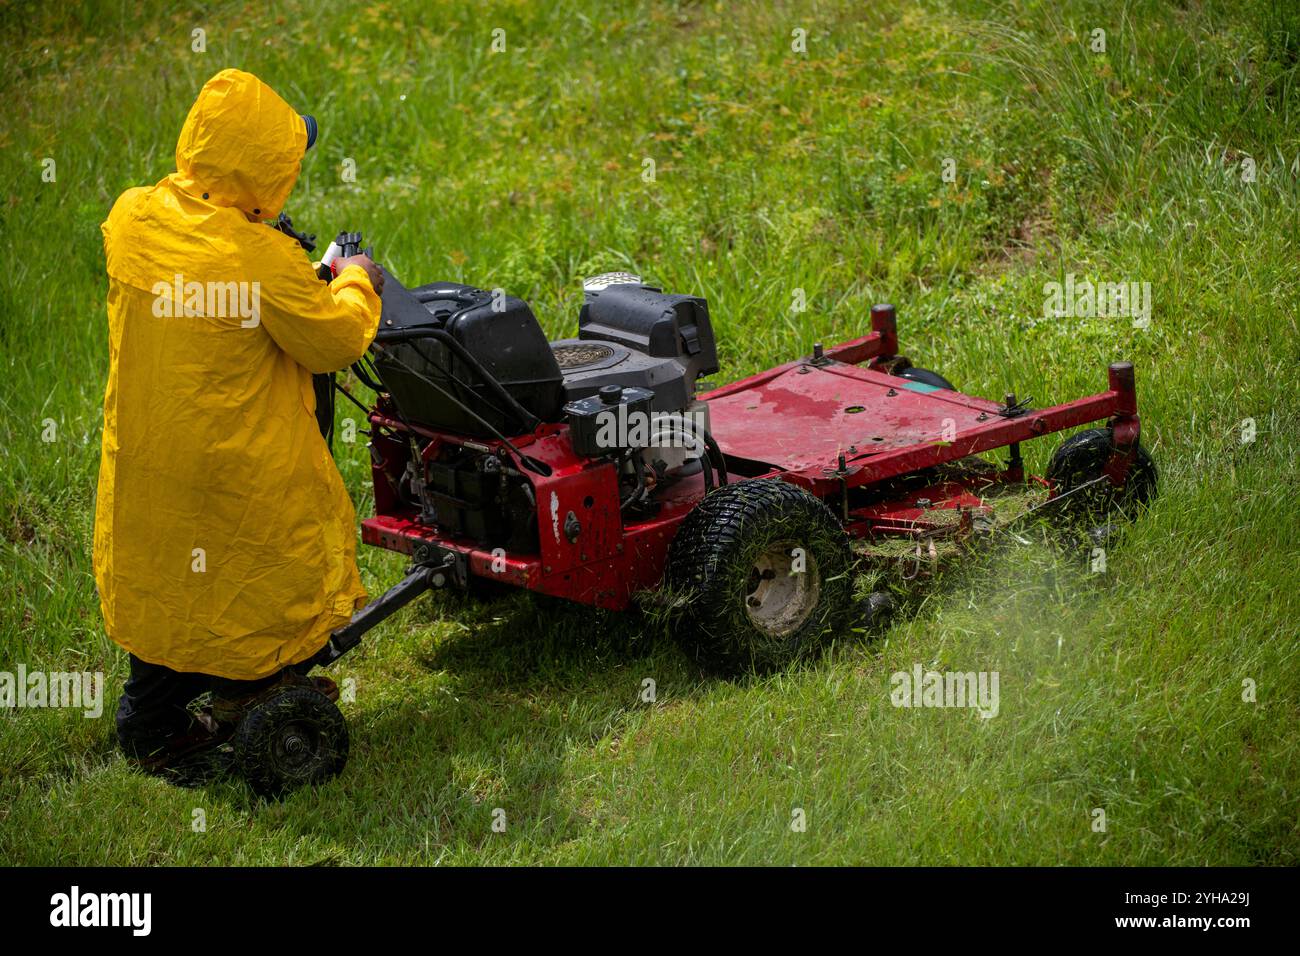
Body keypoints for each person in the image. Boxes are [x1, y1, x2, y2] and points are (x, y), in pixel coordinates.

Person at [95, 68, 385, 783]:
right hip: (233, 472)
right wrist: (351, 276)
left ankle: (149, 724)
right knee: (267, 580)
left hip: (149, 457)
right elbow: (335, 341)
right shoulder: (259, 260)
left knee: (168, 584)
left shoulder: (134, 216)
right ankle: (256, 692)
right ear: (265, 171)